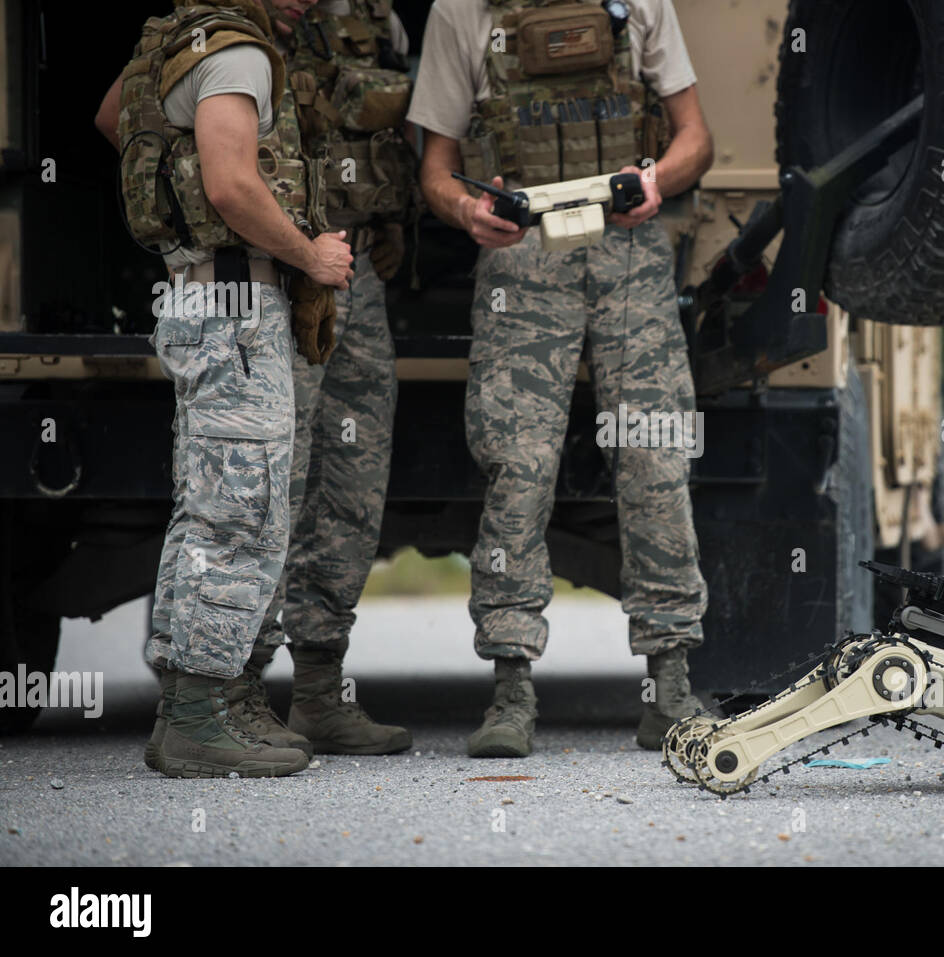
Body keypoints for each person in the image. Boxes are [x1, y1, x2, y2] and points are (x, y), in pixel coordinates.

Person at [409, 0, 714, 757]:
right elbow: (435, 169)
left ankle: (669, 684)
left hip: (629, 256)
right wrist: (468, 208)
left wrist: (656, 181)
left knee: (655, 459)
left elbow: (696, 140)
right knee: (518, 466)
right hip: (522, 263)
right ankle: (510, 688)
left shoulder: (638, 4)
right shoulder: (463, 11)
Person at [95, 0, 353, 777]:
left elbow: (113, 117)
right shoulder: (236, 53)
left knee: (205, 506)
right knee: (241, 513)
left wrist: (172, 203)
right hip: (237, 303)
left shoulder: (171, 42)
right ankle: (199, 720)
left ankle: (186, 707)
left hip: (194, 297)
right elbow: (233, 185)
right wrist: (308, 254)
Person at [238, 0, 416, 757]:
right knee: (270, 476)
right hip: (273, 271)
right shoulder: (227, 25)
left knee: (352, 476)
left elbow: (393, 127)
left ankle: (317, 692)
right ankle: (237, 692)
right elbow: (127, 116)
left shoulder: (375, 17)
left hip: (354, 274)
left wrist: (396, 216)